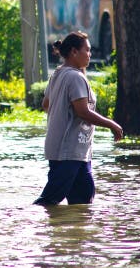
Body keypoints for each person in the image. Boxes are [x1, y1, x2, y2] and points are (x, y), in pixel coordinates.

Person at [34, 31, 123, 206]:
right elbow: (82, 111)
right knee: (50, 199)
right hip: (68, 150)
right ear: (74, 52)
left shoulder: (59, 73)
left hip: (75, 149)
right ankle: (26, 221)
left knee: (83, 199)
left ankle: (74, 232)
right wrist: (111, 124)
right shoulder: (74, 77)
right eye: (87, 50)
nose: (90, 55)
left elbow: (46, 104)